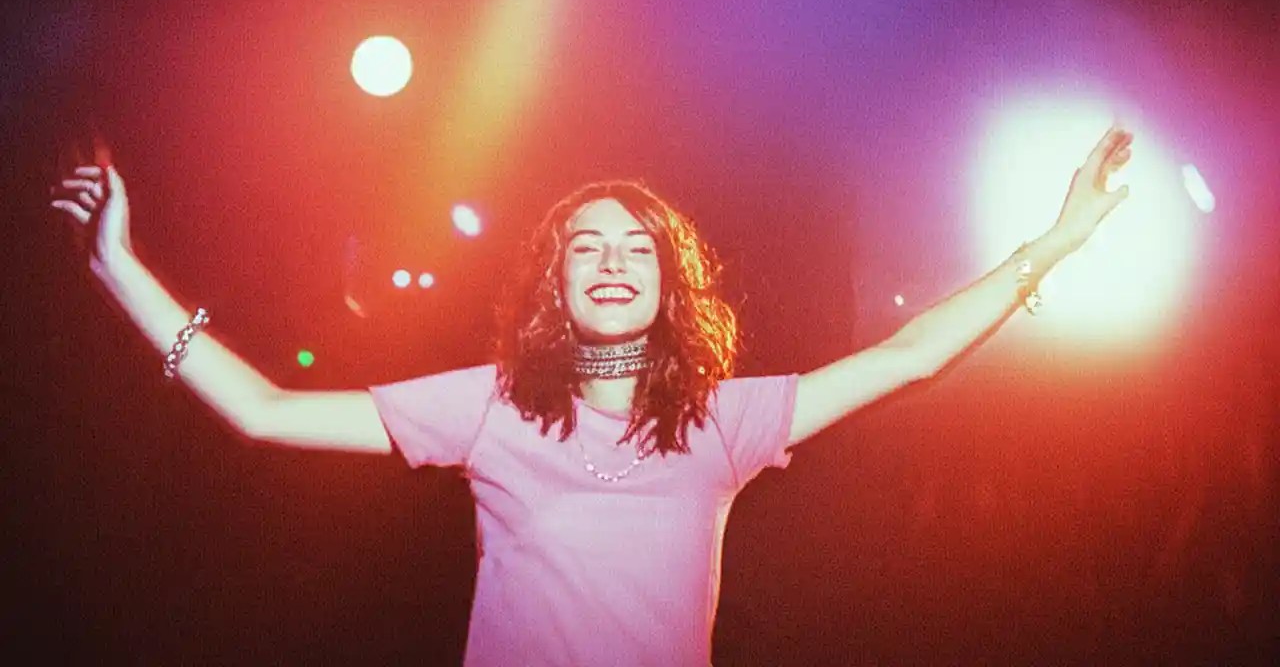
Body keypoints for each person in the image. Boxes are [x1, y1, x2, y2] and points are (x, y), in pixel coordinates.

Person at [50, 127, 1134, 666]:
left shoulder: (723, 418)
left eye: (636, 247)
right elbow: (264, 412)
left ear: (666, 286)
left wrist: (1058, 240)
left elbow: (908, 356)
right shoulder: (484, 406)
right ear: (555, 284)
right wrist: (121, 267)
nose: (611, 259)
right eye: (586, 246)